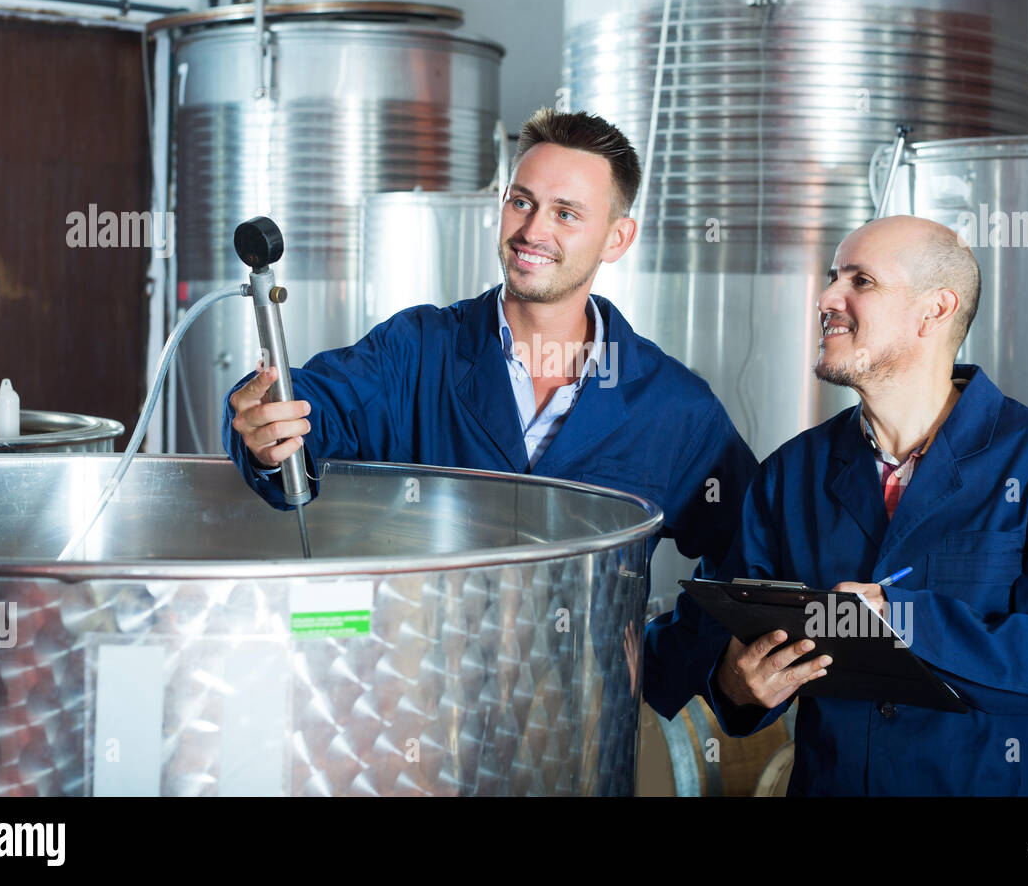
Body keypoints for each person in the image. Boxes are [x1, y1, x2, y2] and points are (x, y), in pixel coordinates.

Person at [222, 108, 759, 784]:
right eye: (522, 202)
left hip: (581, 740)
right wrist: (265, 427)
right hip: (409, 727)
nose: (533, 231)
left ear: (617, 238)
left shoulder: (671, 407)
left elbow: (751, 552)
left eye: (567, 214)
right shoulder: (417, 351)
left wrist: (666, 664)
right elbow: (315, 403)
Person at [698, 214, 1028, 795]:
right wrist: (739, 684)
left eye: (861, 281)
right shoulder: (792, 471)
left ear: (935, 310)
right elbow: (733, 639)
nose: (827, 297)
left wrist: (910, 622)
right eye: (834, 276)